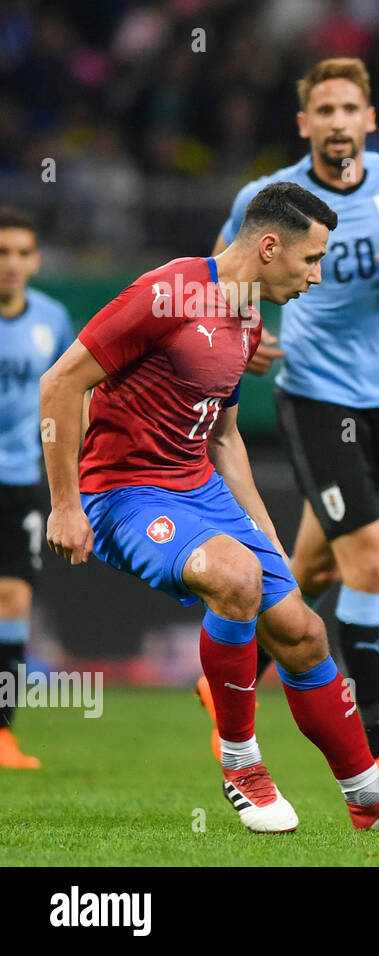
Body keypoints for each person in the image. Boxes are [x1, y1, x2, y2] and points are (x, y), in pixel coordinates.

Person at [41, 181, 379, 832]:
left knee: (301, 632)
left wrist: (263, 530)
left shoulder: (247, 319)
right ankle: (242, 764)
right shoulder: (167, 292)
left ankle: (370, 796)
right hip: (125, 492)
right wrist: (65, 505)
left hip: (200, 490)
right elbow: (60, 381)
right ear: (269, 247)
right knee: (236, 581)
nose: (317, 275)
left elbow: (223, 435)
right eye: (311, 260)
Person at [205, 57, 379, 786]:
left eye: (350, 108)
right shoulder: (268, 198)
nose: (339, 122)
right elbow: (220, 277)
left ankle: (233, 672)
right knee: (371, 561)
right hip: (315, 399)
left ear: (369, 118)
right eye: (325, 111)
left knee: (315, 566)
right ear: (304, 124)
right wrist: (242, 334)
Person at [0, 207, 76, 770]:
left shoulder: (52, 318)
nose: (11, 264)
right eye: (2, 253)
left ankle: (1, 734)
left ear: (36, 260)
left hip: (23, 478)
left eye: (21, 253)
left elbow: (71, 395)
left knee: (12, 600)